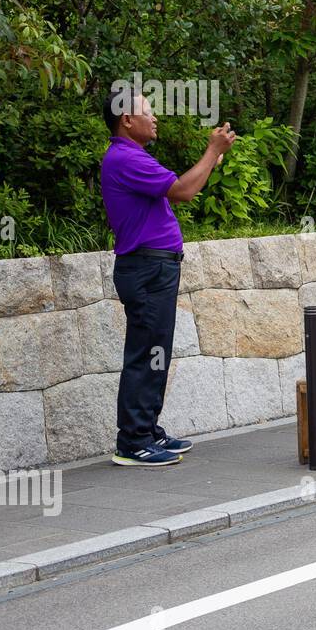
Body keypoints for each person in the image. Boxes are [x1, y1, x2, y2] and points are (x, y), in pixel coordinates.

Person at [101, 90, 237, 466]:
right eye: (147, 111)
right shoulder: (125, 158)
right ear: (126, 119)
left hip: (154, 268)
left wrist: (212, 158)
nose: (154, 117)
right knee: (146, 353)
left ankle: (146, 429)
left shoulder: (134, 157)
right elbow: (185, 191)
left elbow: (179, 191)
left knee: (156, 352)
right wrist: (211, 152)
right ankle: (132, 441)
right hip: (146, 269)